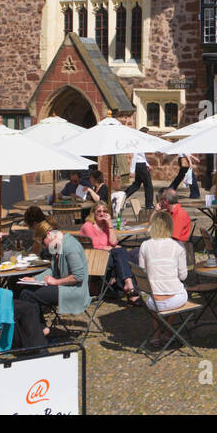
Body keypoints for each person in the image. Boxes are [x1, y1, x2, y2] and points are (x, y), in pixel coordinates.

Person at [13, 220, 88, 348]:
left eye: (42, 242)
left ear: (48, 234)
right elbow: (53, 270)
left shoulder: (70, 246)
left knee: (28, 295)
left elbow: (78, 276)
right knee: (24, 289)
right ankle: (39, 330)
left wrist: (56, 281)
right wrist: (34, 279)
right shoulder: (58, 244)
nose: (43, 246)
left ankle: (39, 331)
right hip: (63, 286)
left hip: (74, 290)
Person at [136, 211, 189, 348]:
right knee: (177, 291)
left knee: (151, 291)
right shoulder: (178, 246)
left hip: (152, 302)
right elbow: (183, 276)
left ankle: (156, 334)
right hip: (174, 299)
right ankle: (168, 331)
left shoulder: (145, 245)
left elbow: (143, 276)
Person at [78, 203, 139, 300]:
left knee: (126, 255)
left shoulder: (106, 225)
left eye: (105, 211)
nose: (102, 214)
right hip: (94, 260)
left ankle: (129, 285)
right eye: (99, 211)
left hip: (107, 257)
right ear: (93, 213)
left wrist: (110, 224)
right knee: (121, 253)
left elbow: (113, 242)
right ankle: (131, 291)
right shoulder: (88, 226)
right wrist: (109, 248)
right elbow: (94, 246)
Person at [127, 141, 154, 209]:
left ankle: (123, 196)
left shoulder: (141, 144)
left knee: (136, 185)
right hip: (141, 166)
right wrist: (132, 171)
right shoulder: (138, 144)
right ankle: (149, 204)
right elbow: (134, 157)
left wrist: (147, 165)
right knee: (148, 186)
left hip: (141, 165)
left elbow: (142, 157)